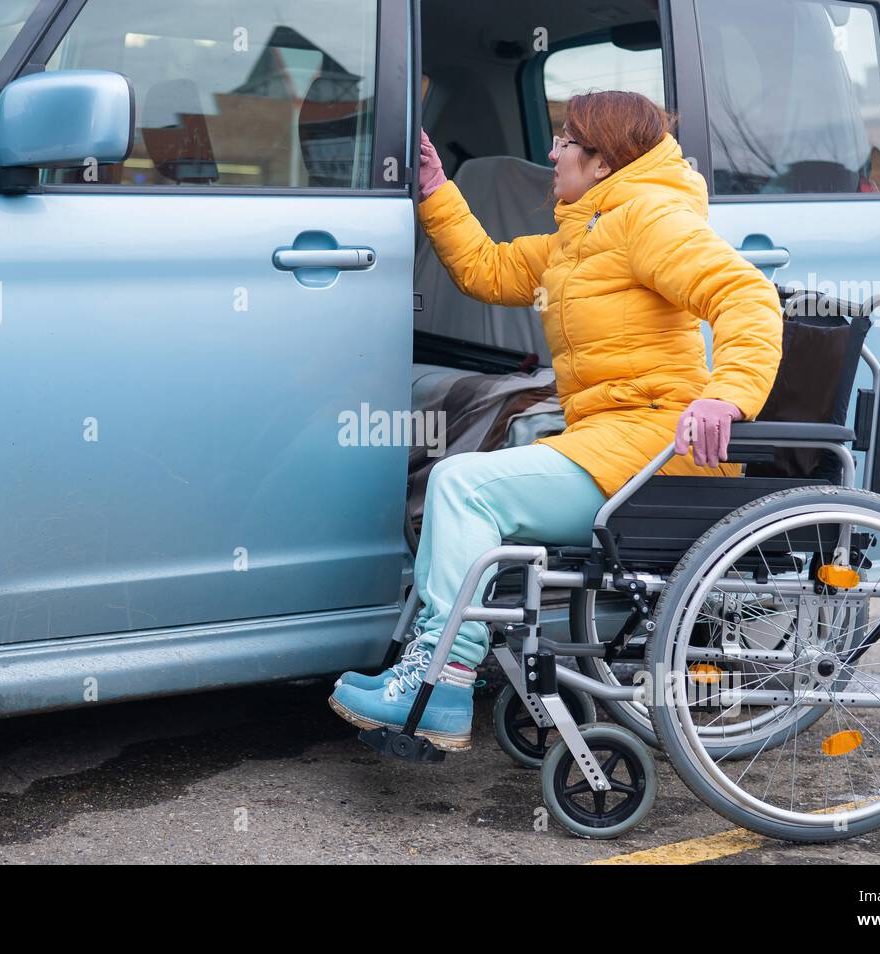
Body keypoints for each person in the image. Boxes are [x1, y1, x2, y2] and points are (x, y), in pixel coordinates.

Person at [329, 90, 783, 750]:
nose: (552, 152)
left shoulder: (649, 218)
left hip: (653, 449)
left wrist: (727, 395)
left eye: (566, 140)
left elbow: (744, 293)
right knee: (467, 483)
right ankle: (430, 672)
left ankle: (445, 677)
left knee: (462, 485)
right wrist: (434, 190)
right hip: (609, 441)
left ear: (602, 162)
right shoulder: (583, 234)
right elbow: (486, 270)